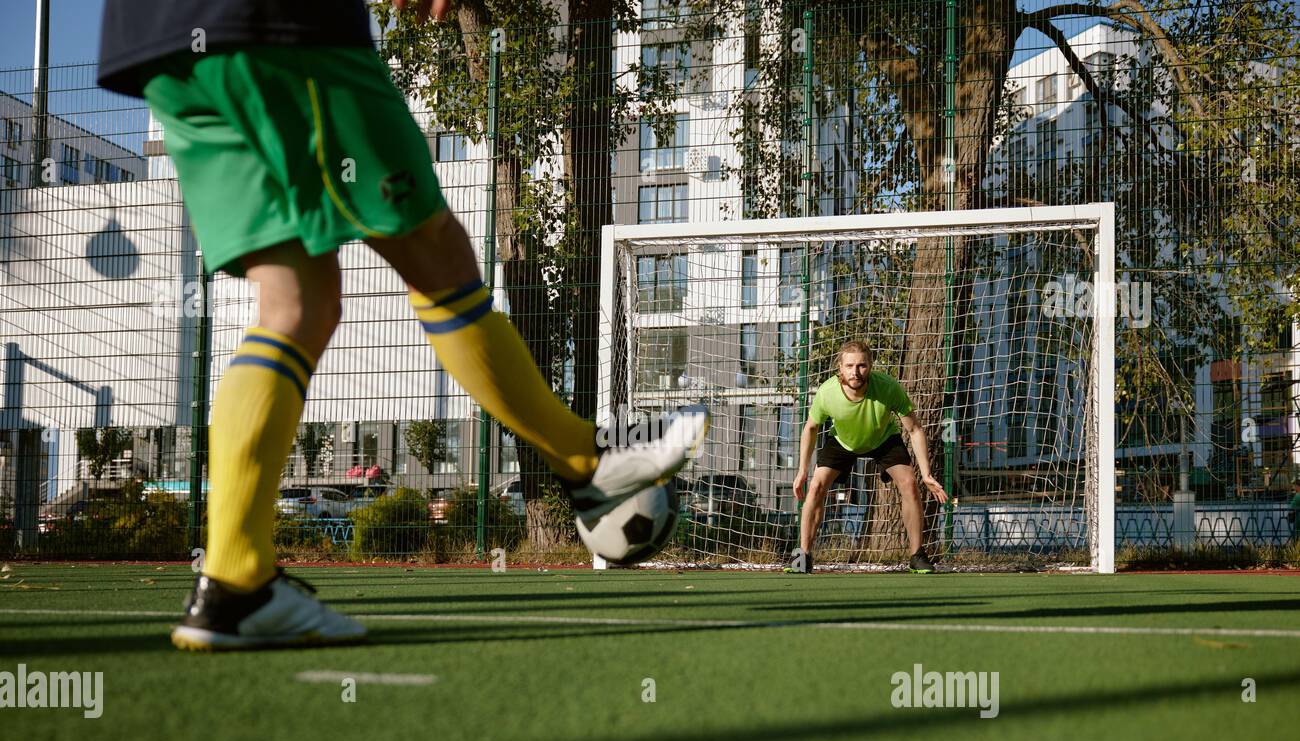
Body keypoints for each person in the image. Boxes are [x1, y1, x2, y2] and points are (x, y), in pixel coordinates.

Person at [97, 0, 707, 649]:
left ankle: (234, 585)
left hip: (159, 47)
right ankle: (585, 461)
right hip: (276, 27)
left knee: (294, 304)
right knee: (435, 253)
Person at [790, 341, 948, 573]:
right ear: (840, 368)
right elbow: (811, 428)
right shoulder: (827, 392)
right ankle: (802, 557)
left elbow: (914, 429)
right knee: (815, 486)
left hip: (883, 439)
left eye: (862, 366)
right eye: (850, 366)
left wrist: (926, 474)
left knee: (910, 484)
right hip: (843, 441)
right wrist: (802, 470)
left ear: (871, 366)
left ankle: (917, 555)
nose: (855, 372)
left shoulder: (887, 388)